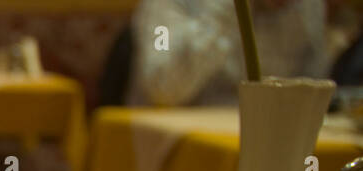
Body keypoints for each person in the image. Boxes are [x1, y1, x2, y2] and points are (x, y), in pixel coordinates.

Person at [127, 0, 331, 107]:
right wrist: (228, 12)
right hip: (184, 155)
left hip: (272, 147)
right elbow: (162, 88)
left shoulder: (309, 7)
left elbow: (315, 96)